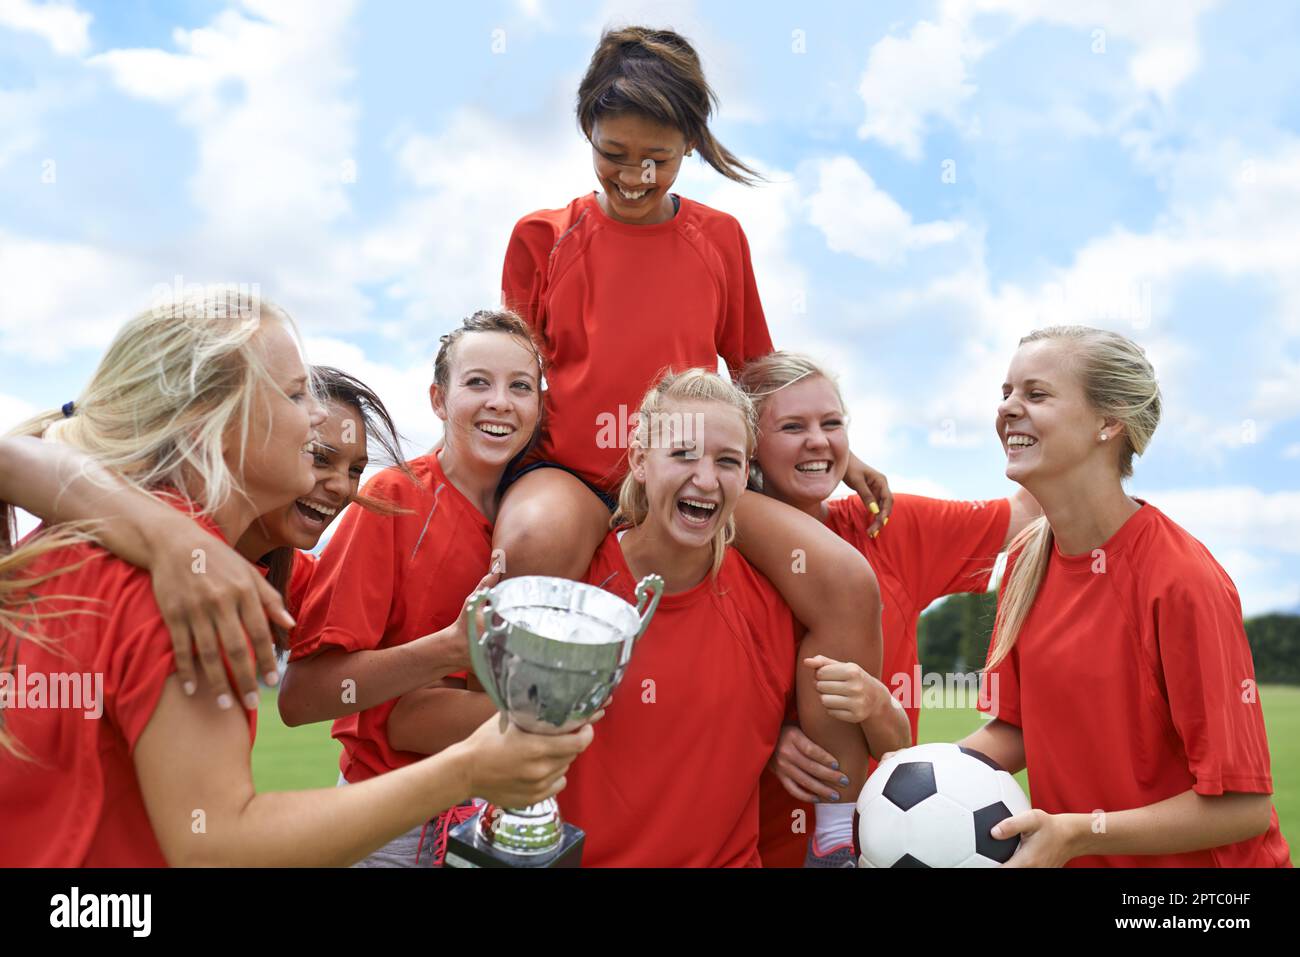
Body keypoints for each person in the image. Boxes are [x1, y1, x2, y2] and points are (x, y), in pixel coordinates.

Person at [0, 292, 590, 866]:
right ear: (219, 423)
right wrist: (464, 770)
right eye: (291, 394)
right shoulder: (190, 588)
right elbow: (217, 844)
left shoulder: (124, 543)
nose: (315, 414)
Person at [493, 24, 892, 858]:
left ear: (690, 151)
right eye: (616, 153)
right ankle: (513, 804)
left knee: (846, 582)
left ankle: (834, 831)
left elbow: (753, 365)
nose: (636, 175)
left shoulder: (720, 239)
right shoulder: (542, 236)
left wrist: (838, 454)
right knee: (530, 543)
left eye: (660, 159)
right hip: (577, 470)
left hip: (699, 469)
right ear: (585, 132)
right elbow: (517, 378)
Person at [959, 325, 1289, 867]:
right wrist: (912, 778)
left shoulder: (1181, 580)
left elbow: (1243, 807)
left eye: (1035, 394)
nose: (1009, 409)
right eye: (1006, 393)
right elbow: (1017, 729)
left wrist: (1081, 833)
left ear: (1109, 423)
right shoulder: (1024, 562)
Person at [738, 351, 1041, 866]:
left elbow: (1032, 515)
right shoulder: (716, 550)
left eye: (832, 424)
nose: (818, 439)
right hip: (758, 847)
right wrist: (761, 739)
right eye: (792, 426)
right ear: (747, 448)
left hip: (895, 847)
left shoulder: (885, 526)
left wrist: (1028, 419)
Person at [282, 309, 543, 866]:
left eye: (520, 386)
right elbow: (302, 696)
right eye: (478, 382)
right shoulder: (392, 499)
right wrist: (449, 647)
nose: (500, 401)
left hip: (494, 820)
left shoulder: (541, 517)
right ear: (438, 400)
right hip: (389, 828)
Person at [0, 365, 411, 703]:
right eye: (320, 457)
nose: (342, 485)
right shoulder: (136, 538)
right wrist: (177, 541)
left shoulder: (283, 571)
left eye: (356, 470)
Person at [550, 368, 797, 866]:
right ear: (640, 460)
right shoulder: (573, 584)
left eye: (727, 461)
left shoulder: (773, 609)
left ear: (746, 471)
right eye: (682, 454)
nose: (705, 479)